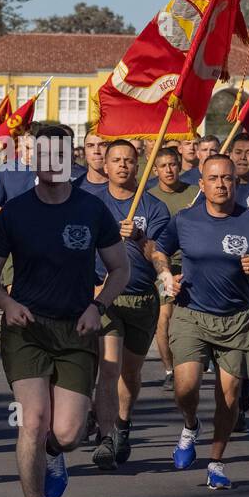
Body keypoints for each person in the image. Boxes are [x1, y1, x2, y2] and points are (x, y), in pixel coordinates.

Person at [0, 123, 129, 497]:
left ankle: (54, 454)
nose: (51, 162)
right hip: (26, 328)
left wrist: (97, 307)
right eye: (43, 154)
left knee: (67, 433)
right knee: (34, 419)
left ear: (72, 156)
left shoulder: (91, 210)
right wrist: (8, 305)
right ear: (32, 159)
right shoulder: (16, 211)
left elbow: (120, 268)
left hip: (76, 329)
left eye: (59, 154)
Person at [149, 153, 249, 490]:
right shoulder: (185, 220)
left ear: (235, 183)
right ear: (202, 184)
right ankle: (190, 424)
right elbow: (157, 249)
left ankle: (217, 461)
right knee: (186, 387)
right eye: (214, 179)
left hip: (237, 320)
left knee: (229, 395)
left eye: (227, 179)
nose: (221, 184)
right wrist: (165, 274)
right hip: (191, 313)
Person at [90, 140, 170, 468]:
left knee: (130, 371)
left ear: (138, 167)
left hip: (142, 299)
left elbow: (158, 253)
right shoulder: (91, 206)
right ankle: (107, 436)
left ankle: (122, 423)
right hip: (105, 296)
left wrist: (139, 238)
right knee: (109, 367)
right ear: (104, 166)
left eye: (129, 161)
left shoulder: (154, 208)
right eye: (116, 160)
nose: (123, 166)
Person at [148, 146, 199, 392]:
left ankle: (192, 362)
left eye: (173, 164)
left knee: (193, 318)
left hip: (193, 263)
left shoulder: (196, 193)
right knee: (164, 318)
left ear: (179, 165)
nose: (169, 170)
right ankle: (169, 369)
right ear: (155, 169)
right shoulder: (148, 195)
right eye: (163, 166)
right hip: (163, 265)